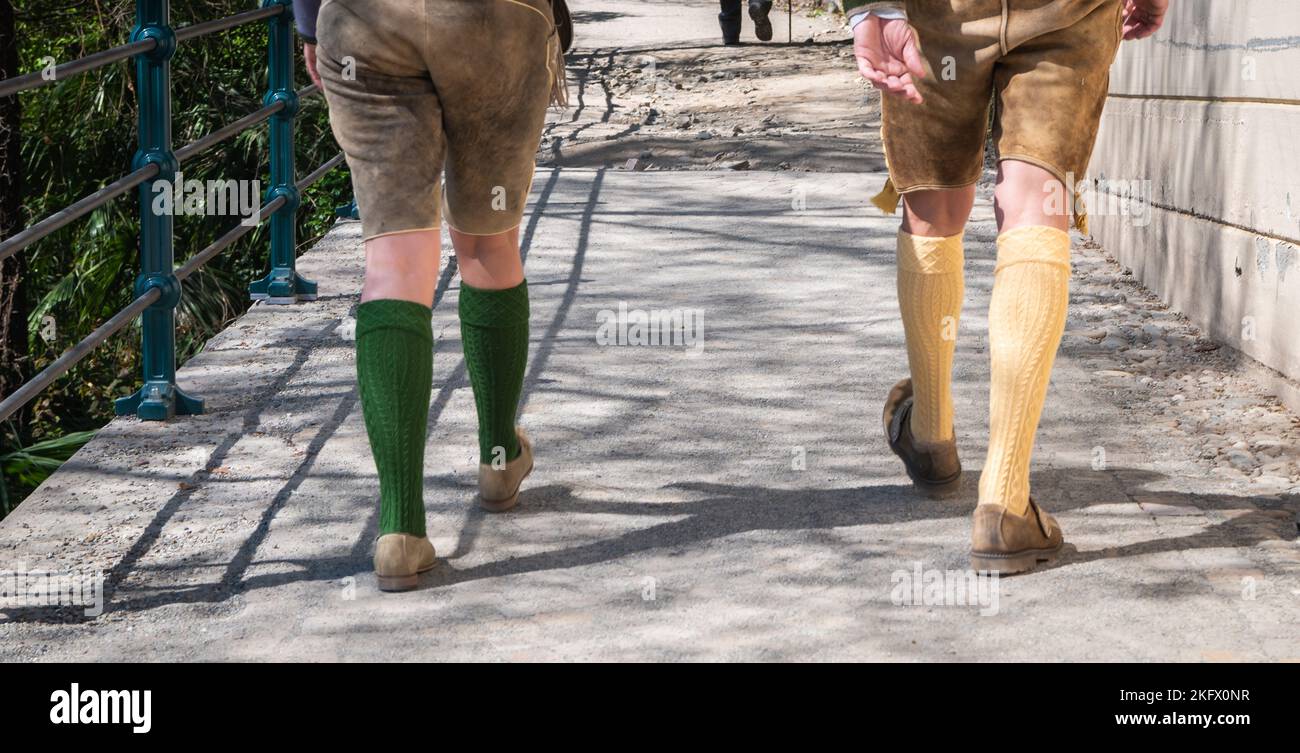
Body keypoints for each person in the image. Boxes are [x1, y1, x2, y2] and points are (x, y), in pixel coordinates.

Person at [844, 0, 1168, 572]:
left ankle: (931, 433)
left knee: (934, 200)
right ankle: (1004, 501)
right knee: (1035, 202)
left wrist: (869, 6)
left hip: (937, 13)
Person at [293, 0, 567, 591]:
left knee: (394, 263)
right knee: (488, 245)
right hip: (495, 25)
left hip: (365, 27)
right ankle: (498, 458)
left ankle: (400, 529)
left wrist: (307, 22)